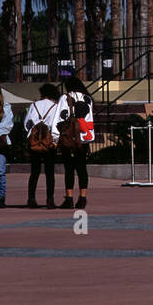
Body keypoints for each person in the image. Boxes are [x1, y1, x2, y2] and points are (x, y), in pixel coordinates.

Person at [56, 76, 94, 210]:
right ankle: (83, 198)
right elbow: (90, 120)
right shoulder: (88, 99)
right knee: (82, 169)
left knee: (69, 169)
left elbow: (58, 118)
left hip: (69, 138)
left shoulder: (64, 98)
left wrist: (56, 138)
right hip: (83, 138)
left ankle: (69, 198)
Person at [23, 83, 61, 209]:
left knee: (34, 172)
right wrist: (55, 140)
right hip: (49, 142)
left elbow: (26, 124)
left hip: (34, 143)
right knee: (50, 173)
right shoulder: (55, 106)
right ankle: (50, 199)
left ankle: (31, 198)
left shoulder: (34, 105)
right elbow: (56, 125)